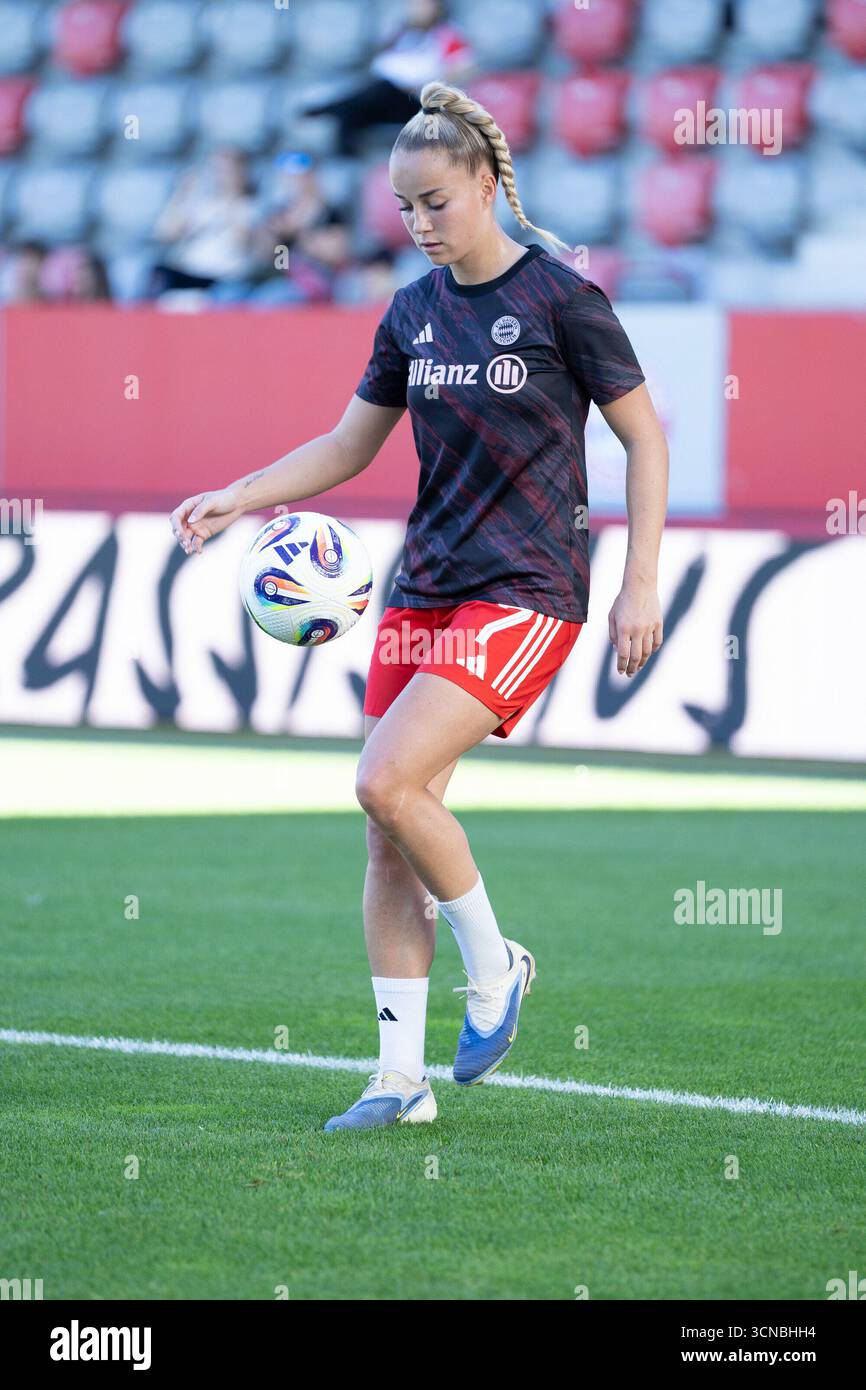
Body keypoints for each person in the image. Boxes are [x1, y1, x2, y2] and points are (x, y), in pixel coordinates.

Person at [168, 81, 668, 1132]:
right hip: (422, 586)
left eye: (436, 201)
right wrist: (236, 495)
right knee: (385, 832)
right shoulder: (410, 309)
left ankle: (498, 967)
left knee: (382, 779)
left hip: (527, 585)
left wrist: (639, 581)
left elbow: (644, 438)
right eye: (404, 209)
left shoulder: (562, 300)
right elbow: (349, 445)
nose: (421, 223)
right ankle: (398, 1084)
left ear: (485, 183)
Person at [302, 0, 473, 157]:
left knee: (370, 96)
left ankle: (333, 107)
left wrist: (426, 85)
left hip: (414, 99)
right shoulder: (401, 32)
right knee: (353, 114)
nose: (417, 9)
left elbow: (462, 68)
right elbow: (381, 60)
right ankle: (344, 157)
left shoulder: (447, 34)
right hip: (384, 96)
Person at [149, 148, 258, 297]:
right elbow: (165, 234)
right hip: (189, 272)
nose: (221, 176)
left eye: (228, 170)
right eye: (217, 170)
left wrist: (233, 197)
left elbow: (241, 241)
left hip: (223, 278)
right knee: (157, 274)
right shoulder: (201, 205)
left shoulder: (250, 206)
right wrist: (182, 194)